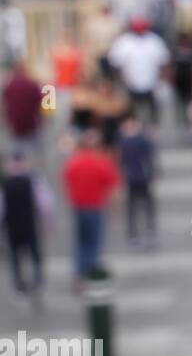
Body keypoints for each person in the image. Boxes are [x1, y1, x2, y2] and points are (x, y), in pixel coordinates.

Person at [62, 129, 119, 284]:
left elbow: (66, 182)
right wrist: (113, 209)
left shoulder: (73, 162)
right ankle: (91, 274)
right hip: (95, 207)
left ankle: (78, 273)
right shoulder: (102, 163)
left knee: (81, 242)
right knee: (94, 242)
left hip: (78, 207)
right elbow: (113, 188)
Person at [2, 149, 49, 296]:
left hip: (20, 223)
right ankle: (28, 279)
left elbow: (43, 202)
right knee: (23, 253)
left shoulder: (30, 181)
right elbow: (44, 202)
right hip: (21, 223)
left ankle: (27, 280)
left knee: (22, 253)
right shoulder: (30, 180)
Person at [108, 17, 169, 127]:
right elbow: (115, 63)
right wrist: (118, 82)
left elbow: (163, 62)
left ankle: (151, 128)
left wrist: (163, 80)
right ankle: (133, 129)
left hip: (151, 82)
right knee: (129, 111)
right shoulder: (124, 41)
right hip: (130, 83)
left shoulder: (154, 41)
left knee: (153, 110)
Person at [117, 116, 157, 248]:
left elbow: (121, 161)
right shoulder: (141, 140)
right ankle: (148, 232)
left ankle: (136, 234)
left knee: (134, 207)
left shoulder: (124, 141)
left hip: (133, 177)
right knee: (145, 205)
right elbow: (150, 156)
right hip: (141, 176)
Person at [2, 59, 44, 153]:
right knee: (32, 154)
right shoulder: (32, 85)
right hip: (30, 124)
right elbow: (41, 102)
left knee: (16, 153)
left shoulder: (9, 85)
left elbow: (4, 104)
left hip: (15, 125)